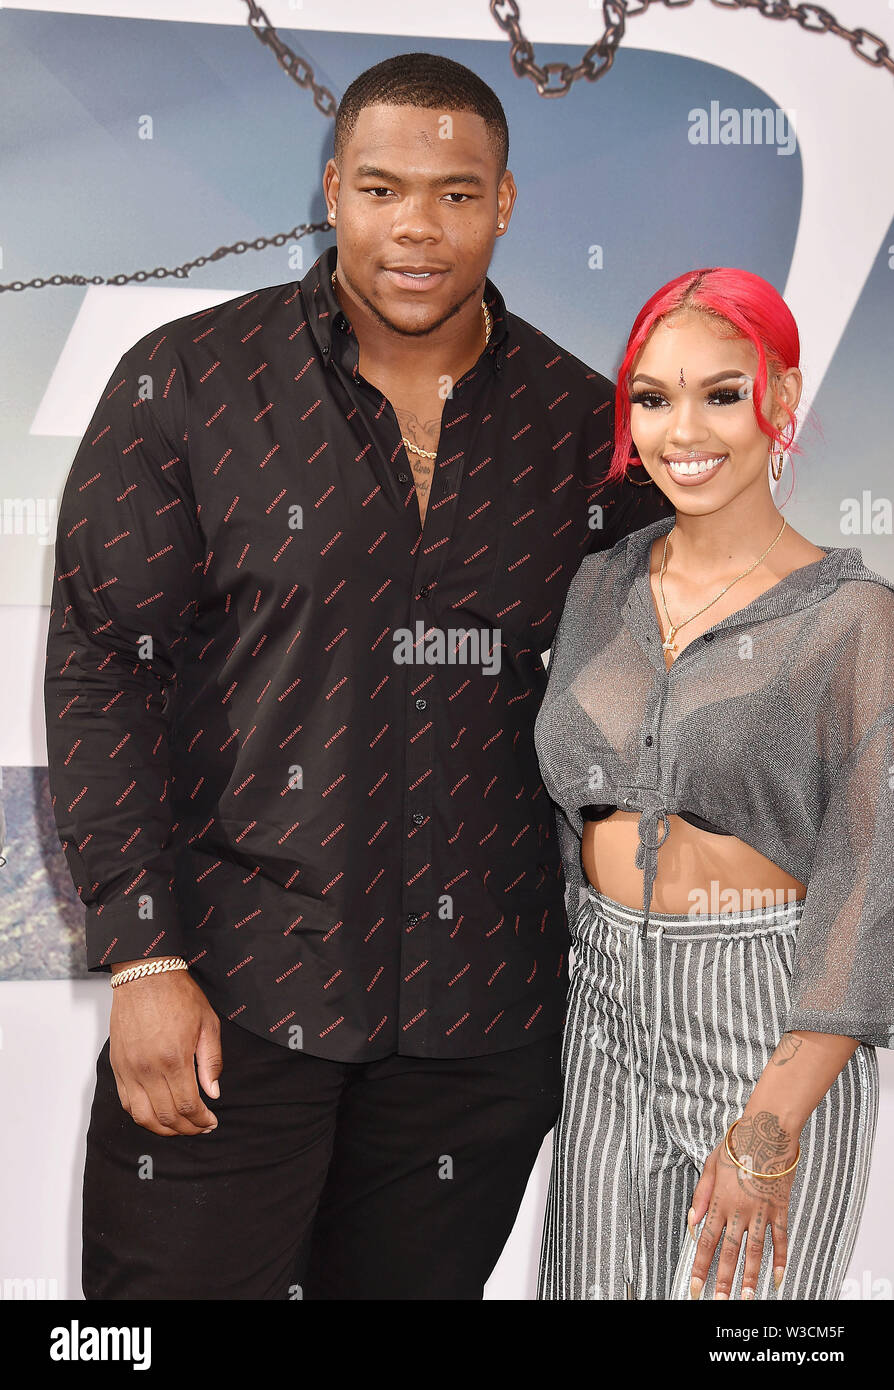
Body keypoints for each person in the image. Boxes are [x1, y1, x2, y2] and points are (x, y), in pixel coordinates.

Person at [43, 52, 671, 1300]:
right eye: (384, 187)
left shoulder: (585, 430)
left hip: (479, 1028)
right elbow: (106, 671)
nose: (417, 228)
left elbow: (660, 696)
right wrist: (144, 959)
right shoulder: (188, 384)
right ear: (332, 191)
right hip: (233, 998)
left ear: (505, 205)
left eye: (454, 192)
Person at [533, 267, 894, 1301]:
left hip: (764, 1017)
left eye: (720, 393)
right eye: (652, 397)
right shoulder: (600, 586)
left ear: (779, 398)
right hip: (603, 1006)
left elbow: (871, 885)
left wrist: (770, 1124)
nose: (681, 429)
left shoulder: (854, 617)